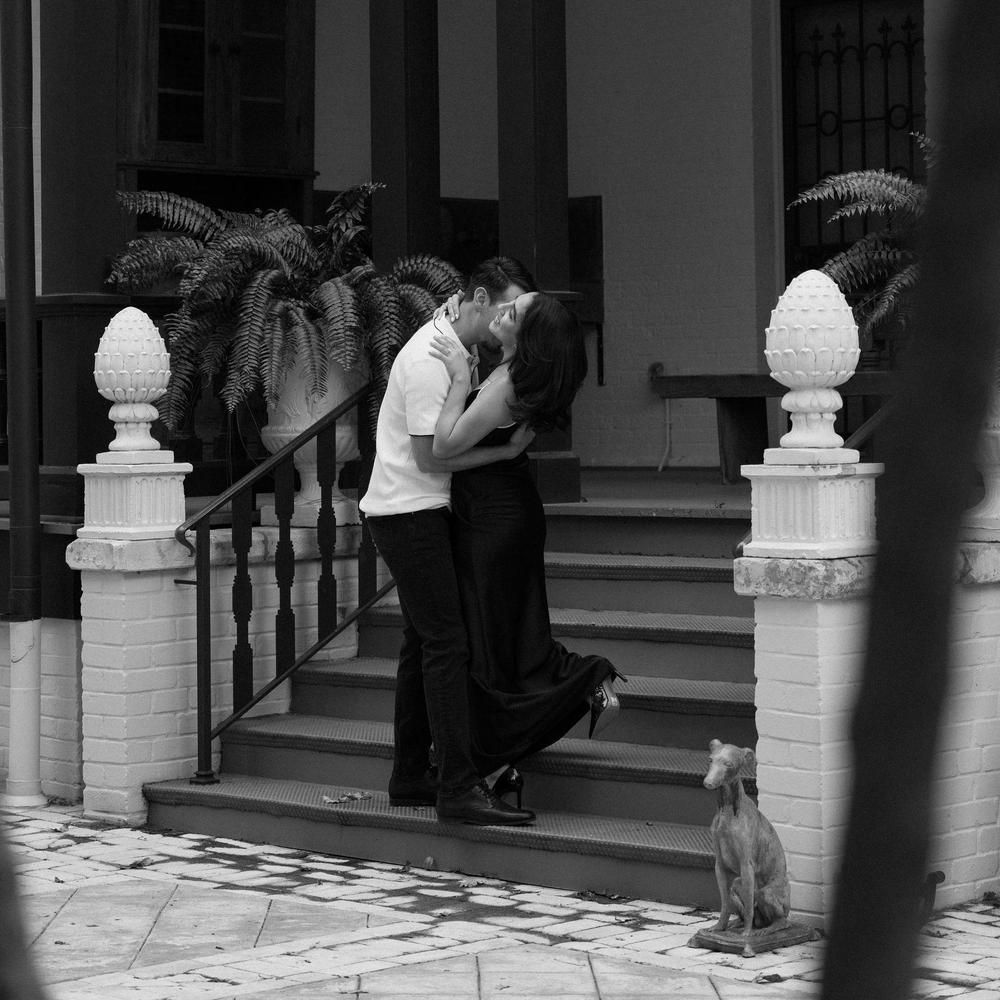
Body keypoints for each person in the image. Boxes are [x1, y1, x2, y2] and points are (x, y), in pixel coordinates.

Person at [428, 290, 625, 808]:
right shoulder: (516, 377)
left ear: (528, 336)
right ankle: (512, 748)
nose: (500, 312)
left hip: (491, 521)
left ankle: (510, 744)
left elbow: (443, 447)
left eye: (512, 313)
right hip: (507, 514)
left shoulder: (507, 385)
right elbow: (500, 442)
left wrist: (457, 379)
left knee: (488, 640)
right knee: (509, 633)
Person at [359, 257, 538, 826]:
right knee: (446, 644)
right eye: (506, 308)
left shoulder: (456, 344)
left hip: (417, 510)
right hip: (408, 513)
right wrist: (506, 452)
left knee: (423, 643)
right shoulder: (430, 359)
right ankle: (459, 788)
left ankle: (411, 775)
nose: (509, 319)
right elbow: (430, 457)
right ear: (479, 299)